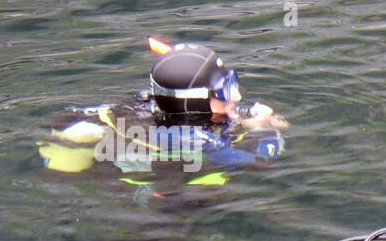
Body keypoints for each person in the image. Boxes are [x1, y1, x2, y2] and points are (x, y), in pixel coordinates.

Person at [37, 38, 288, 190]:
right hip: (124, 168)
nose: (236, 96)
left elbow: (221, 117)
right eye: (224, 91)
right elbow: (263, 165)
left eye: (232, 83)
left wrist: (243, 119)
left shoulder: (165, 107)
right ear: (193, 102)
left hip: (117, 135)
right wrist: (265, 131)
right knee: (196, 202)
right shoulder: (192, 137)